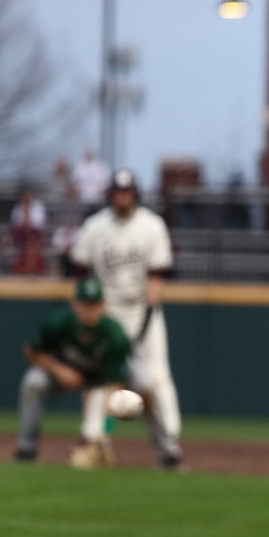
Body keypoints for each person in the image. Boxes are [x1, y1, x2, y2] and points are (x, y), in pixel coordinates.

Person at [70, 168, 184, 470]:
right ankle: (93, 441)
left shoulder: (151, 225)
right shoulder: (95, 227)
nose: (122, 197)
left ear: (135, 195)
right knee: (100, 380)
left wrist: (142, 328)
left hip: (141, 313)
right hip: (106, 314)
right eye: (117, 192)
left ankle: (169, 442)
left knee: (154, 379)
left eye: (127, 192)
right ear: (110, 195)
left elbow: (157, 278)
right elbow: (81, 272)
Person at [14, 276, 132, 467]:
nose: (89, 309)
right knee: (33, 382)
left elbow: (114, 386)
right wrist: (59, 370)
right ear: (75, 304)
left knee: (93, 438)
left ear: (103, 305)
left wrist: (107, 427)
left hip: (97, 383)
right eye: (85, 304)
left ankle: (93, 444)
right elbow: (31, 351)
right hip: (60, 374)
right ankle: (26, 449)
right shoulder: (59, 322)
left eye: (94, 304)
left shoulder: (115, 334)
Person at [3, 185, 49, 275]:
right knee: (9, 239)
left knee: (33, 235)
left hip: (35, 235)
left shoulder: (38, 206)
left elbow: (39, 225)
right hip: (21, 235)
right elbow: (14, 225)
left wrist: (27, 216)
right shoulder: (18, 207)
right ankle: (19, 262)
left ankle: (33, 261)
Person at [72, 148, 110, 213]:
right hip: (82, 201)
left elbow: (106, 182)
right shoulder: (79, 166)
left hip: (98, 201)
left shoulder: (101, 166)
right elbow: (75, 183)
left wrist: (100, 192)